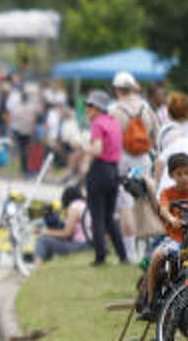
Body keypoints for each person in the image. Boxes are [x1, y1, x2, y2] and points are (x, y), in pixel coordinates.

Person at [144, 153, 188, 307]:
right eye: (179, 174)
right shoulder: (167, 193)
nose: (183, 177)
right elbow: (163, 209)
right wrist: (171, 219)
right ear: (171, 175)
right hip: (176, 239)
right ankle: (150, 298)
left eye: (187, 173)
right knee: (157, 256)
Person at [110, 71, 160, 260]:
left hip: (124, 161)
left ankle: (130, 251)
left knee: (126, 204)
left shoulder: (115, 111)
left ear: (117, 90)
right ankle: (147, 245)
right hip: (143, 161)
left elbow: (112, 141)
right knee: (145, 199)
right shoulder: (146, 108)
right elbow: (156, 134)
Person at [82, 90, 127, 265]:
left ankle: (100, 256)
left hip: (100, 170)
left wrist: (82, 146)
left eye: (90, 106)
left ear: (98, 108)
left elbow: (97, 150)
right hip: (114, 171)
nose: (87, 109)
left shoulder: (97, 124)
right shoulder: (113, 122)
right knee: (109, 216)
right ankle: (122, 254)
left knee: (97, 216)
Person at [35, 185, 91, 263]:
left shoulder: (74, 207)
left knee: (43, 240)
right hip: (90, 243)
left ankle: (37, 268)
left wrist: (45, 232)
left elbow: (67, 233)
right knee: (50, 241)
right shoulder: (85, 205)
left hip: (82, 245)